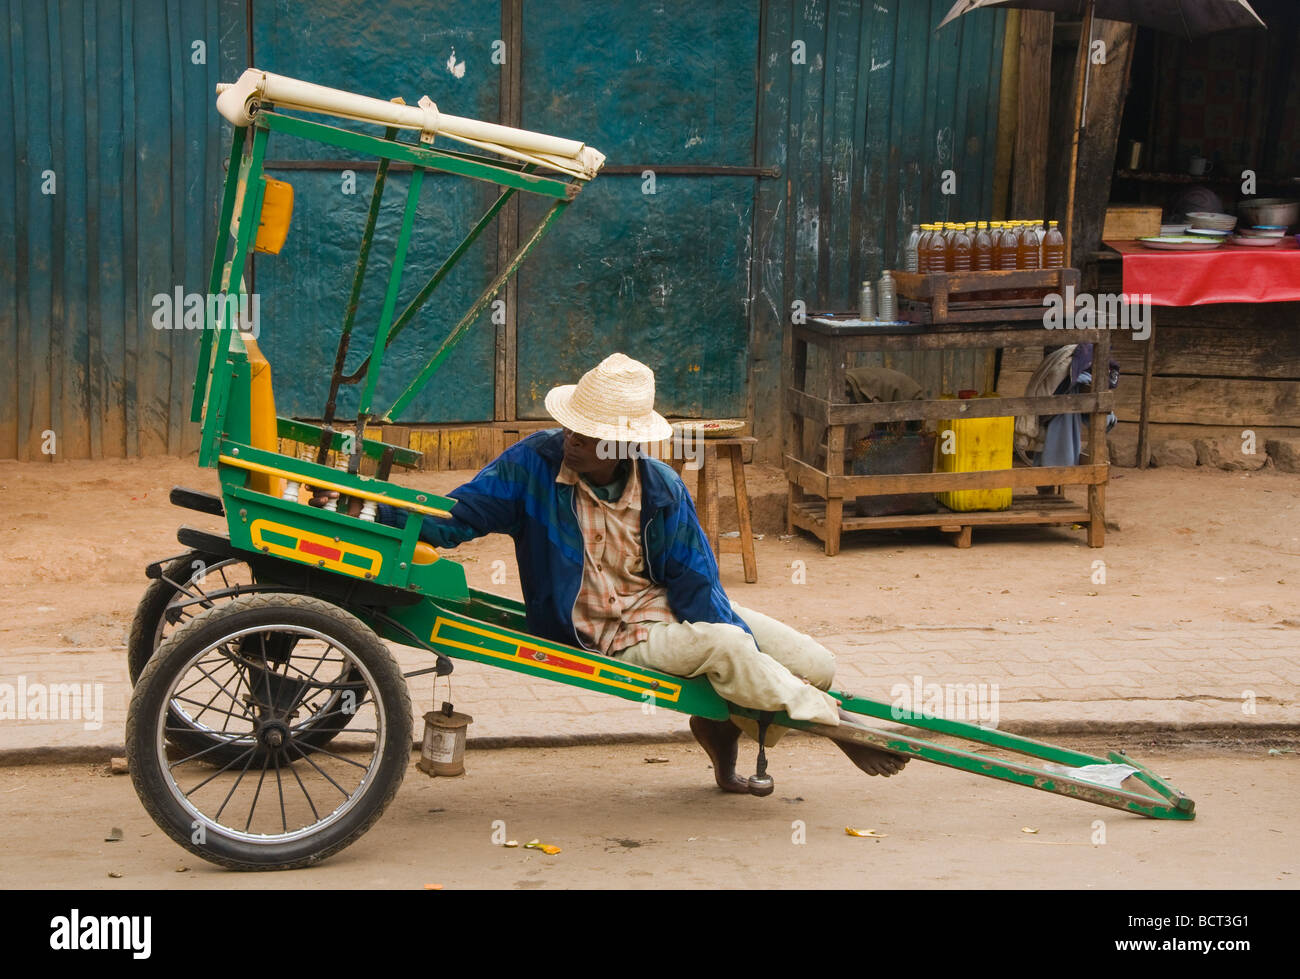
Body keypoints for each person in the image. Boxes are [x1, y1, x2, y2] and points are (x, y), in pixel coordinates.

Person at [378, 353, 906, 793]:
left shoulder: (660, 488)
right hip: (604, 634)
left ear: (625, 446)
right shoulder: (533, 464)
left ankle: (728, 716)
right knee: (729, 652)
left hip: (667, 611)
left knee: (813, 662)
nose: (572, 439)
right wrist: (375, 511)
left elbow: (697, 584)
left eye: (589, 434)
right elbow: (458, 516)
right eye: (573, 427)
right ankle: (836, 725)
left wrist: (735, 641)